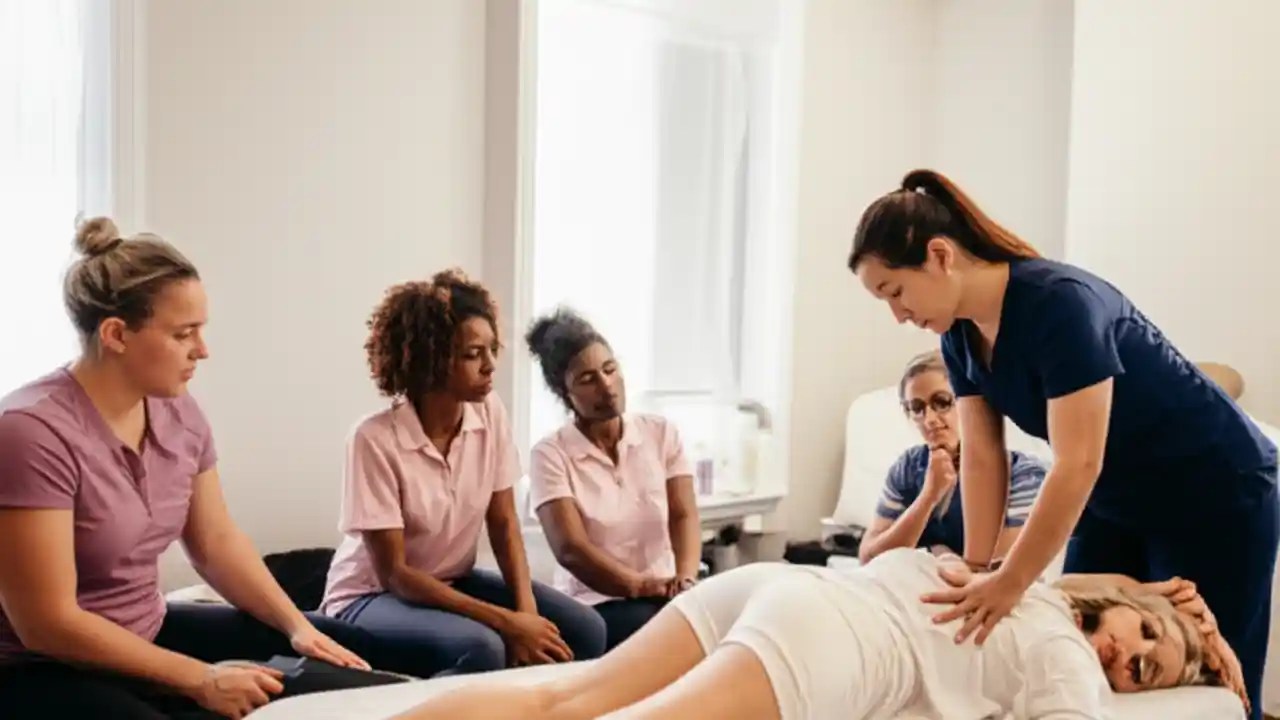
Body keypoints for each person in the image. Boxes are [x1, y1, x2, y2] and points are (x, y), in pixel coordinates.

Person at [847, 169, 1278, 719]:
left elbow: (1078, 461)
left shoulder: (1060, 304)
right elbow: (982, 458)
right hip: (1115, 497)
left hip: (1215, 490)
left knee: (1209, 673)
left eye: (896, 291)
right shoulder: (957, 335)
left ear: (939, 255)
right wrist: (981, 570)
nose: (898, 313)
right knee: (1080, 647)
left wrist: (1011, 581)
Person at [0, 218, 375, 720]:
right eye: (184, 333)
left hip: (147, 628)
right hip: (40, 666)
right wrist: (201, 679)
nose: (203, 349)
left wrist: (296, 626)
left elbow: (215, 540)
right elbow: (47, 623)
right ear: (116, 334)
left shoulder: (178, 410)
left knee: (355, 663)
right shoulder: (30, 432)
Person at [394, 547, 1242, 720]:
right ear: (1128, 605)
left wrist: (1197, 648)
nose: (1122, 660)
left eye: (1143, 673)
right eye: (1141, 639)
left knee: (562, 696)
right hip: (833, 637)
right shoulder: (1060, 645)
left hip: (786, 589)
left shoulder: (1000, 572)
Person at [319, 271, 607, 677]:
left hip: (451, 581)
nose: (490, 366)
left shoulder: (490, 414)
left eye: (492, 349)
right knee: (482, 647)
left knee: (584, 631)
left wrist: (526, 614)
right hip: (369, 596)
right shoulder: (374, 440)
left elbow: (505, 523)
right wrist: (505, 622)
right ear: (432, 360)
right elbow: (396, 574)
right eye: (473, 354)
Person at [525, 308, 702, 650]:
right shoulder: (550, 454)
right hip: (595, 604)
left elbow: (684, 514)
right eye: (588, 379)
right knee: (665, 635)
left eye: (610, 369)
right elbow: (571, 550)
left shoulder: (660, 433)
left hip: (667, 595)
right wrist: (639, 586)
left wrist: (687, 580)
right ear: (566, 394)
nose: (606, 386)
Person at [859, 350, 1046, 564]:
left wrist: (941, 554)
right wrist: (929, 496)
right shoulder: (908, 468)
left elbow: (999, 568)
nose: (928, 419)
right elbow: (867, 557)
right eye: (917, 408)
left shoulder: (1022, 475)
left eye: (941, 402)